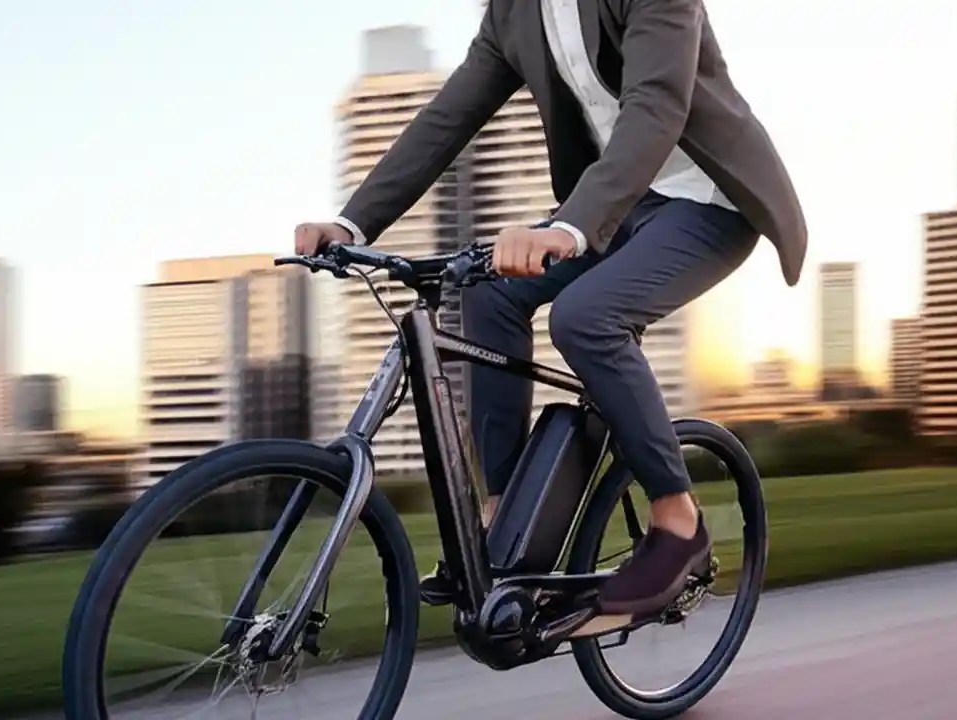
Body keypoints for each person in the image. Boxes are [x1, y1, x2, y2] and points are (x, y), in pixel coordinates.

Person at [294, 0, 805, 617]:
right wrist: (353, 221)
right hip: (620, 207)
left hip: (708, 202)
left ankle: (678, 522)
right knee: (483, 291)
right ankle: (505, 527)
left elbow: (655, 106)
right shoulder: (511, 14)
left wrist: (571, 227)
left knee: (586, 317)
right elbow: (446, 119)